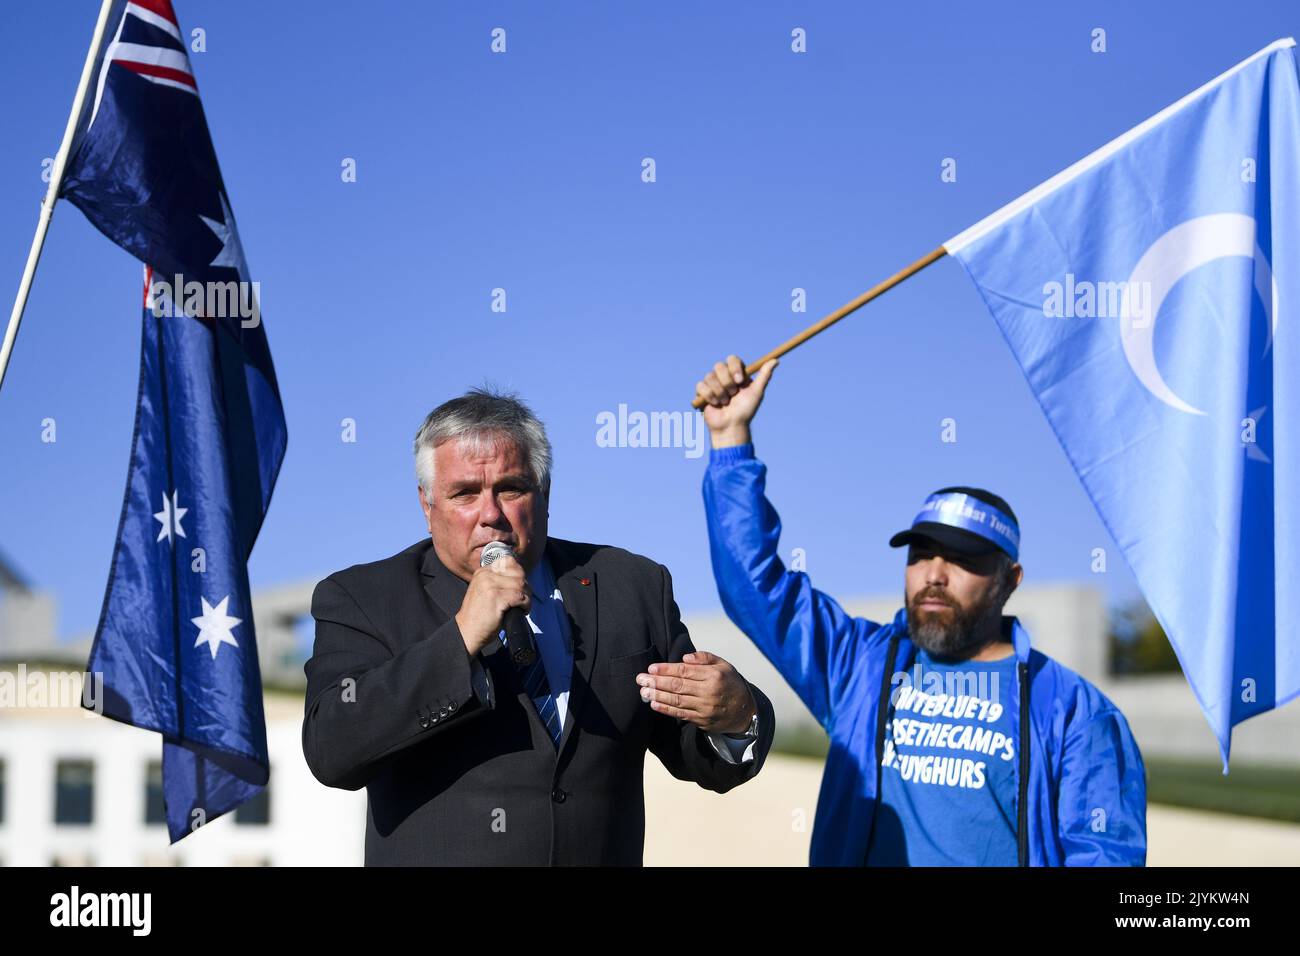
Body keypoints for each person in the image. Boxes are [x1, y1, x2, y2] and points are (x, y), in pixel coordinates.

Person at [694, 354, 1147, 866]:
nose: (933, 573)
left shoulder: (1075, 711)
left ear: (1010, 580)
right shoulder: (857, 664)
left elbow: (1105, 855)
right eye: (921, 554)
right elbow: (753, 587)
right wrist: (730, 439)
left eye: (962, 559)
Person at [302, 386, 775, 865]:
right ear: (428, 507)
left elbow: (695, 752)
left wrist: (737, 718)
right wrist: (462, 636)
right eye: (465, 493)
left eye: (511, 488)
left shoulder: (632, 586)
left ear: (544, 494)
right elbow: (333, 749)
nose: (491, 514)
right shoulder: (363, 598)